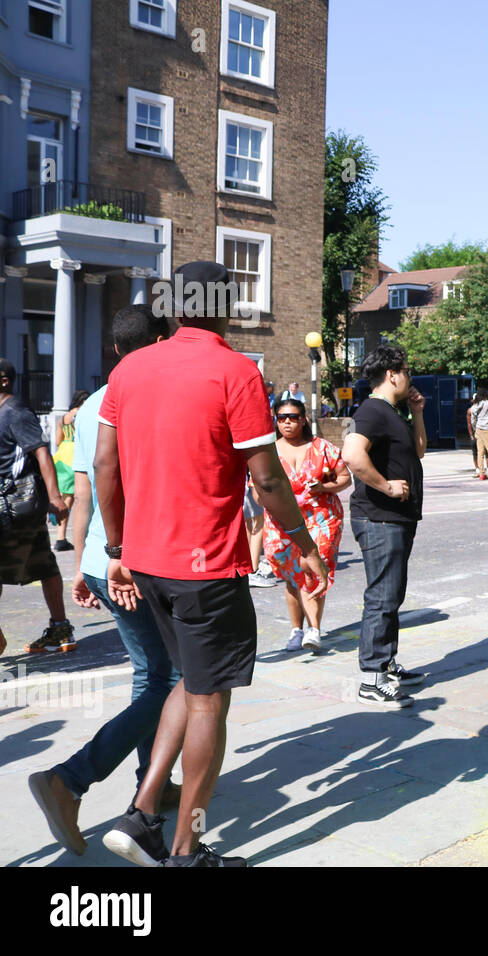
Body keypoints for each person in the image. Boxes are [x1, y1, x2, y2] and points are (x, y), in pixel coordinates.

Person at [96, 261, 328, 868]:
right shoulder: (235, 371)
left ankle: (142, 816)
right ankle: (185, 850)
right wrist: (303, 544)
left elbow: (103, 467)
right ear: (224, 306)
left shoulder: (129, 369)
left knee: (187, 682)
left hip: (146, 562)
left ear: (173, 306)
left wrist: (116, 549)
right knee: (210, 702)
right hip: (205, 566)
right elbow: (269, 477)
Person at [27, 305, 182, 856]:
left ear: (116, 350)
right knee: (170, 681)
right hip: (133, 559)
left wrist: (80, 567)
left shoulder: (94, 403)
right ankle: (70, 779)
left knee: (153, 674)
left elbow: (86, 494)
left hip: (102, 555)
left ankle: (153, 787)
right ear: (162, 340)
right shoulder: (146, 398)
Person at [342, 345, 427, 708]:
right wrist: (386, 486)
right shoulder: (374, 410)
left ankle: (386, 664)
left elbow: (419, 451)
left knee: (392, 594)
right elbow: (352, 454)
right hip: (379, 517)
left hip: (397, 518)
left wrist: (418, 412)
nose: (410, 376)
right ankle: (371, 679)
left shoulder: (396, 411)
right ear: (392, 374)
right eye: (406, 370)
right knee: (382, 596)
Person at [264, 397, 351, 651]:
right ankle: (296, 630)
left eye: (293, 417)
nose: (287, 422)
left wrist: (324, 486)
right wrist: (268, 497)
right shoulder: (268, 452)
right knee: (292, 576)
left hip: (321, 519)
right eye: (282, 418)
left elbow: (345, 478)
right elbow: (257, 489)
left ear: (303, 419)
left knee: (312, 570)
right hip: (282, 521)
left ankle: (313, 628)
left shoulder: (323, 448)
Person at [0, 358, 74, 653]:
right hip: (18, 509)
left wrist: (56, 498)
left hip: (15, 506)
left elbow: (43, 453)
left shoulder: (15, 411)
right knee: (44, 563)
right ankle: (61, 629)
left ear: (4, 380)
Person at [51, 390, 91, 552]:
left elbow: (58, 439)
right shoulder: (82, 414)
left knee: (64, 497)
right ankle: (62, 538)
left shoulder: (64, 417)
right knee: (74, 499)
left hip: (62, 455)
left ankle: (61, 537)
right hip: (75, 455)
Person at [467, 387, 488, 480]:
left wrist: (475, 428)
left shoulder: (474, 406)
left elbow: (472, 420)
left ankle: (481, 473)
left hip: (478, 430)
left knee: (480, 451)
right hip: (487, 429)